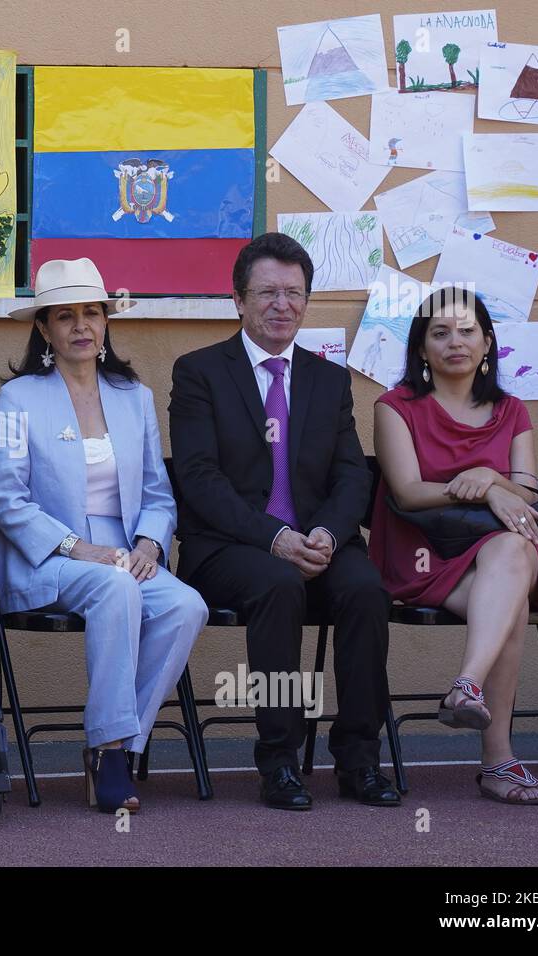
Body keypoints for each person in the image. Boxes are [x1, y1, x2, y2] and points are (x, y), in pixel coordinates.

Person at [170, 233, 398, 811]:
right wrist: (274, 537)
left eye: (294, 293)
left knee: (368, 588)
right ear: (238, 300)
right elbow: (198, 478)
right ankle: (281, 761)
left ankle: (359, 760)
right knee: (277, 582)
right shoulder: (199, 372)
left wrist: (324, 533)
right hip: (230, 549)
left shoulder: (327, 379)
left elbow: (352, 475)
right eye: (267, 292)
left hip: (316, 541)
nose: (282, 305)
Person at [0, 258, 208, 813]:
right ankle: (113, 754)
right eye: (65, 316)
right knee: (116, 588)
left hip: (124, 553)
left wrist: (150, 546)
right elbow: (6, 501)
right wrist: (76, 547)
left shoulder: (134, 397)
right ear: (44, 329)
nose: (81, 325)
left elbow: (158, 494)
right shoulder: (19, 399)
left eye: (92, 313)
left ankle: (117, 741)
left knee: (187, 606)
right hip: (46, 556)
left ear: (107, 321)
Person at [371, 286, 538, 805]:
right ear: (420, 349)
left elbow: (526, 488)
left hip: (498, 554)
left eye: (466, 331)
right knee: (513, 594)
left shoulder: (513, 409)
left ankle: (467, 685)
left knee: (514, 553)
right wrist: (489, 492)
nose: (454, 341)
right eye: (439, 333)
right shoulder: (395, 407)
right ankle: (498, 760)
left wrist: (491, 479)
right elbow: (409, 491)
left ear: (487, 343)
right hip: (422, 555)